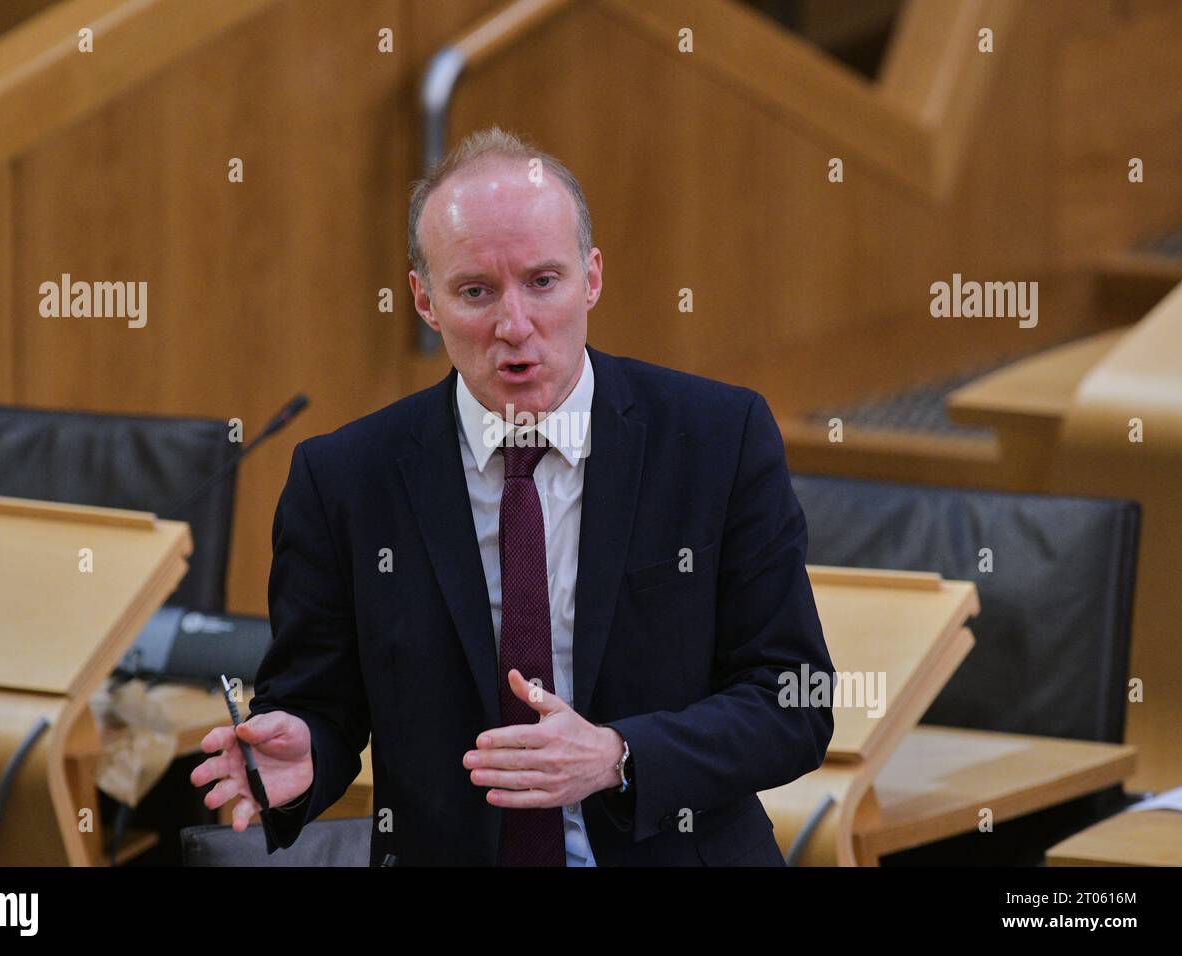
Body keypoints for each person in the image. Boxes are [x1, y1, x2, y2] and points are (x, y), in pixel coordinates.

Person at [191, 126, 835, 866]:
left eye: (543, 281)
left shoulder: (717, 440)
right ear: (424, 302)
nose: (515, 326)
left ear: (591, 278)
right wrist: (303, 750)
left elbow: (794, 700)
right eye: (475, 292)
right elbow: (320, 705)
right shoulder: (344, 478)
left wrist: (618, 755)